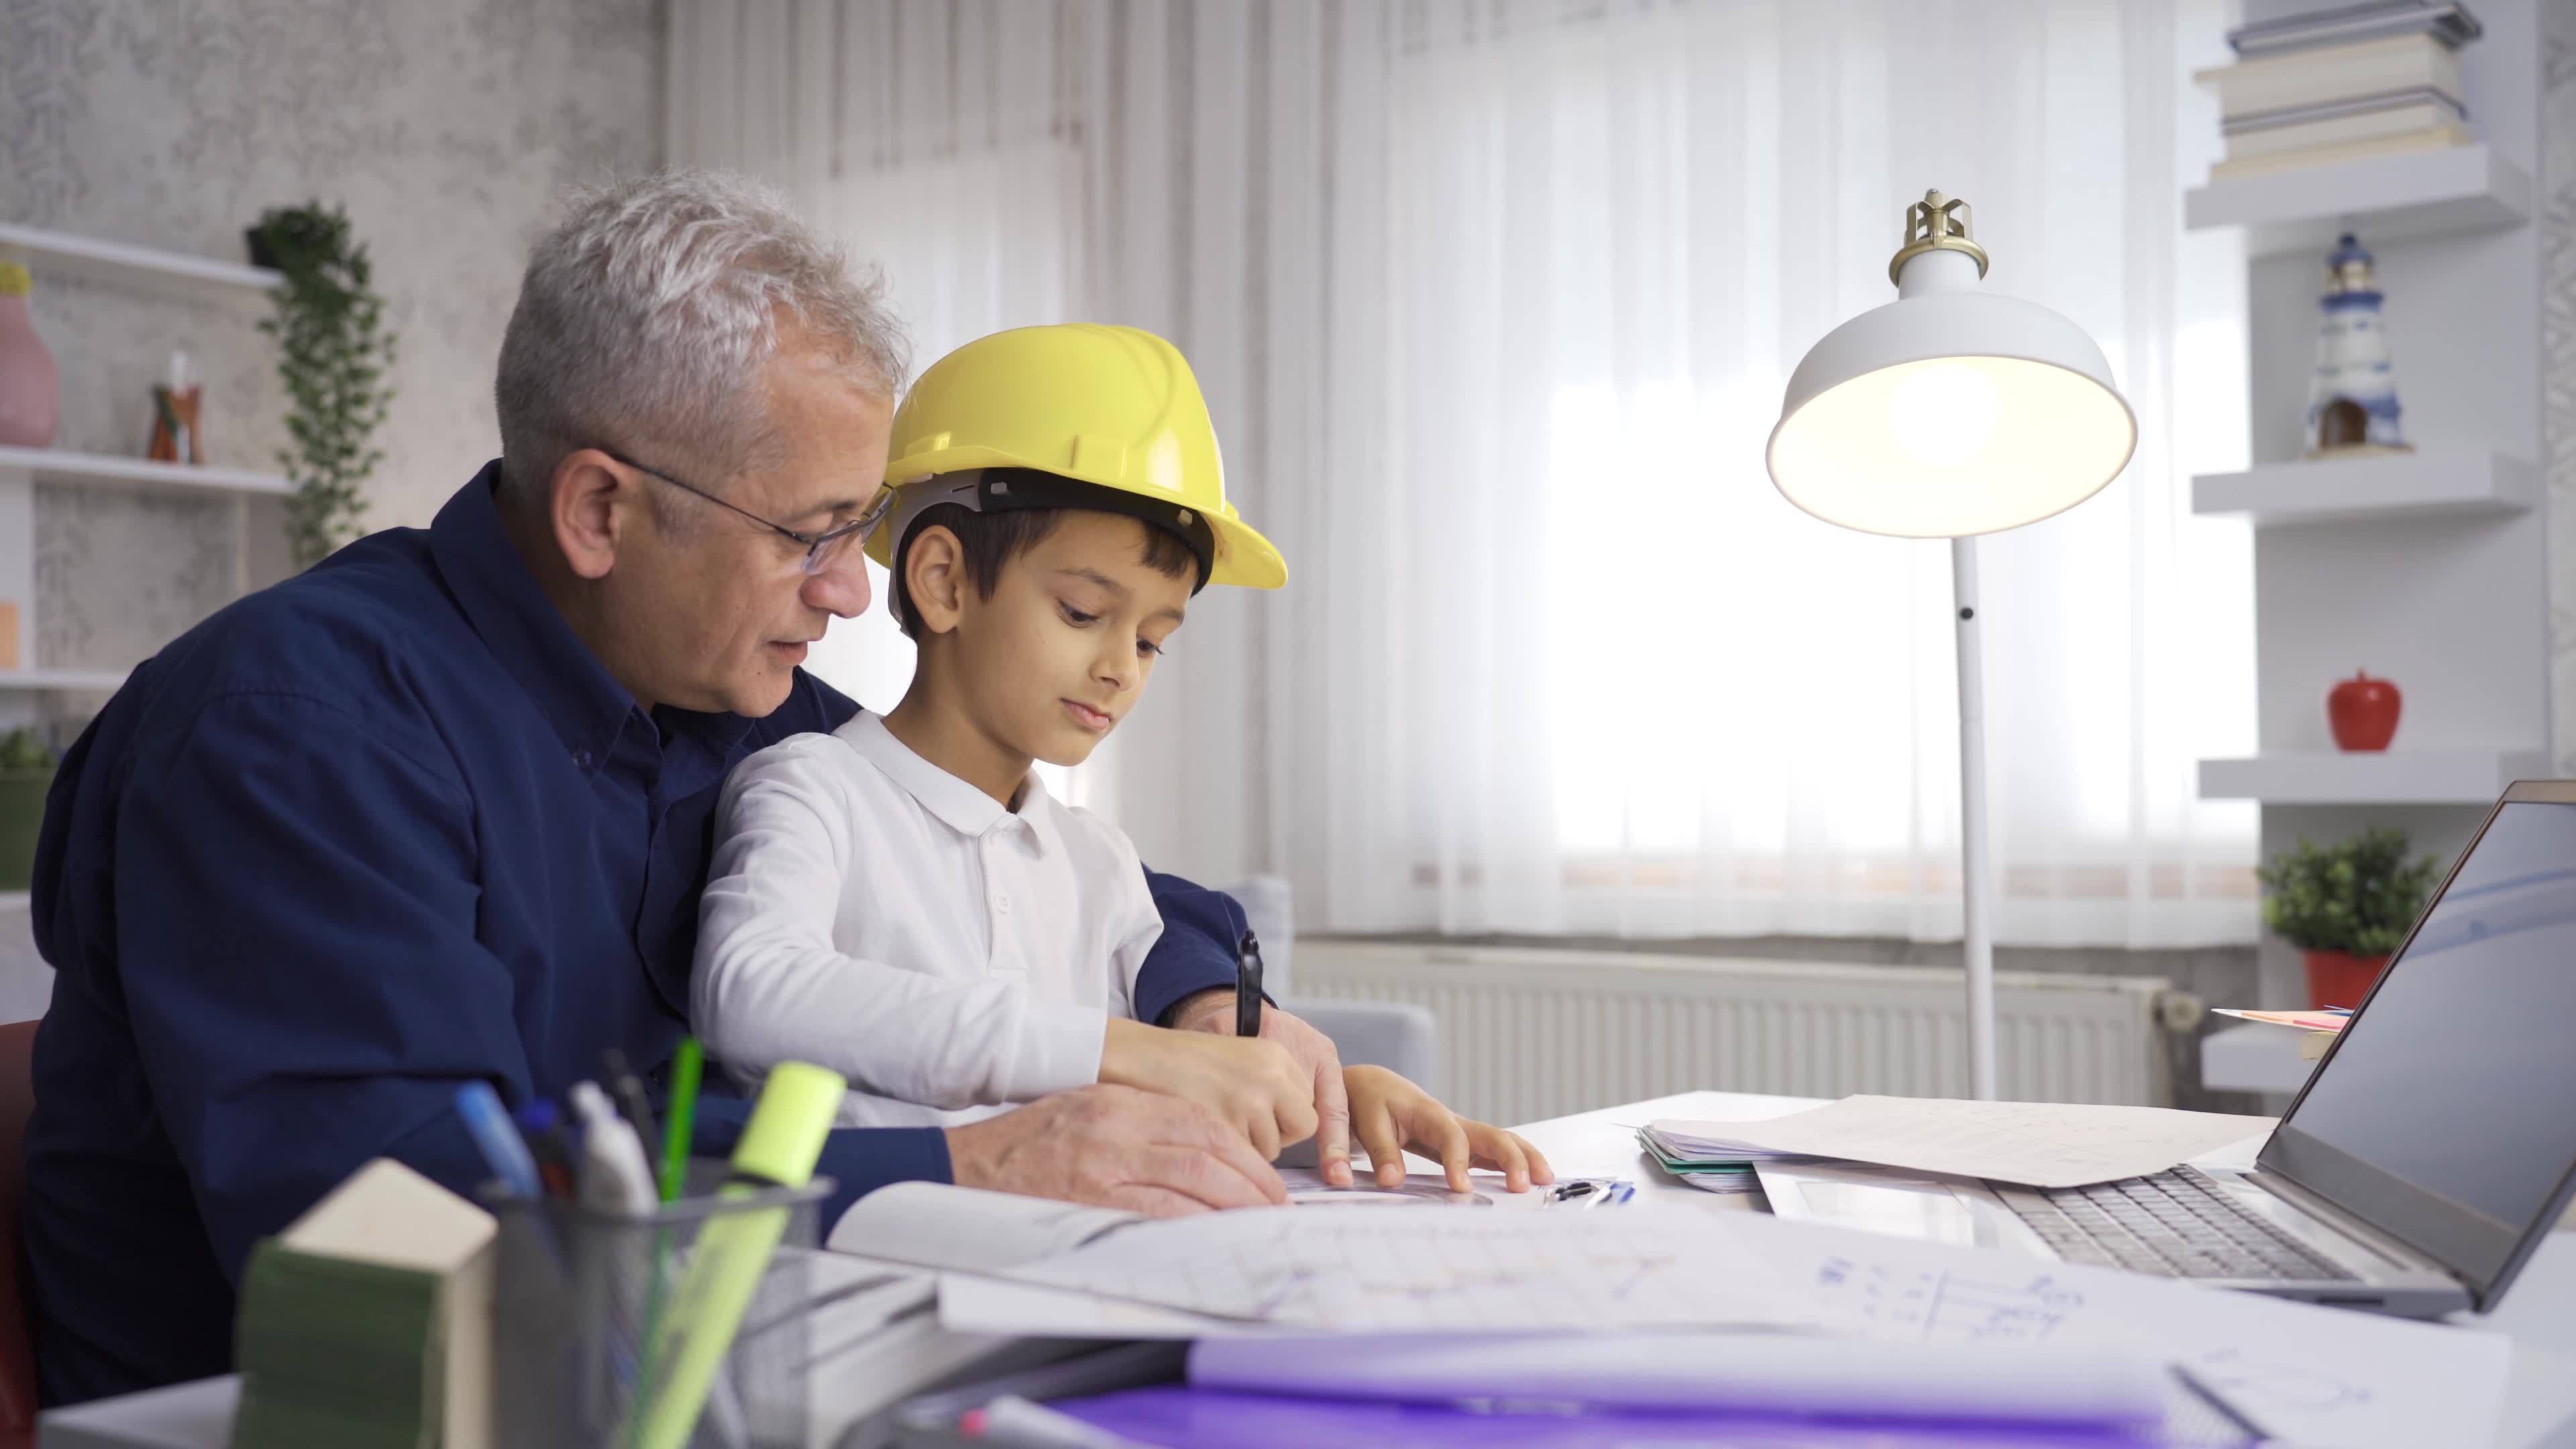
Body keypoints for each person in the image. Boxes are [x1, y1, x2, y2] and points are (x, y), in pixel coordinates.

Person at [19, 172, 1342, 1407]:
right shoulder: (297, 736)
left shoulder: (729, 701)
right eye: (813, 533)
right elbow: (411, 1229)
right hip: (316, 1411)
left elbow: (1025, 834)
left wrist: (1211, 1002)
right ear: (602, 512)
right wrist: (965, 1163)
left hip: (682, 1373)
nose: (847, 589)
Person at [694, 323, 1551, 1199]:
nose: (1120, 668)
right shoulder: (814, 788)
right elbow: (749, 991)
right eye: (1080, 612)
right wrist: (1116, 1048)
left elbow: (1177, 1099)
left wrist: (1324, 1108)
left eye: (1152, 641)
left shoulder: (1096, 862)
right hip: (871, 1279)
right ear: (945, 581)